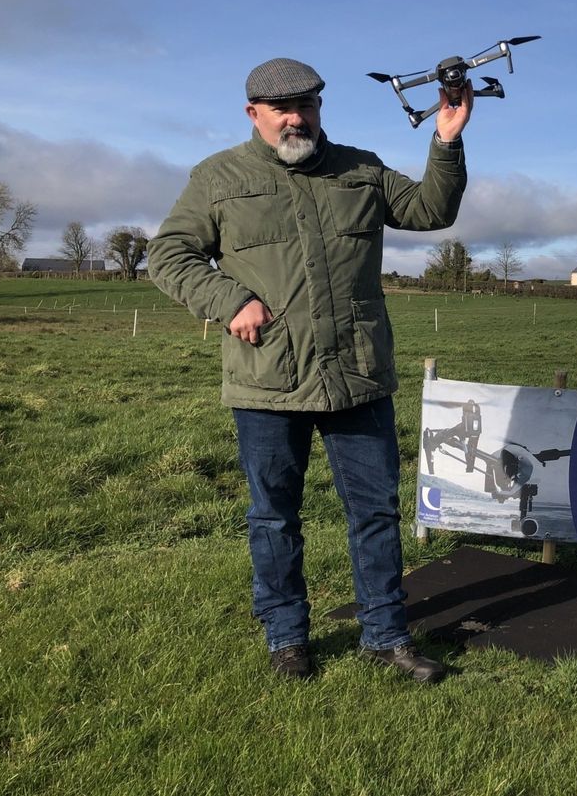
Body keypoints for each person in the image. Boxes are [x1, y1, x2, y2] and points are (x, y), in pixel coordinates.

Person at [149, 57, 472, 682]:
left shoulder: (360, 168)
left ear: (321, 107)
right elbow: (168, 255)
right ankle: (287, 640)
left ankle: (386, 636)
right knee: (274, 517)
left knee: (375, 512)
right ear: (254, 114)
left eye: (308, 105)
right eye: (282, 109)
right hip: (268, 379)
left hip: (357, 375)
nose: (296, 118)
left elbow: (431, 211)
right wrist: (228, 300)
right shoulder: (218, 178)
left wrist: (446, 141)